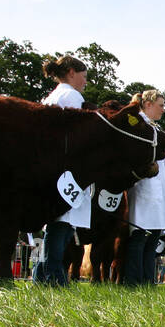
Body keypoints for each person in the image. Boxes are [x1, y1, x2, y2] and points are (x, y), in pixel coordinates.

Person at [35, 55, 92, 286]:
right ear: (71, 72)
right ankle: (54, 277)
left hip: (52, 167)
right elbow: (75, 135)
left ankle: (41, 276)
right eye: (84, 77)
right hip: (66, 169)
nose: (85, 82)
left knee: (60, 226)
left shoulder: (52, 96)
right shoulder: (71, 95)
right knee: (61, 225)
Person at [124, 90, 165, 286]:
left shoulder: (154, 128)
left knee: (152, 243)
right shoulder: (138, 125)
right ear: (148, 104)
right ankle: (134, 283)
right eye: (161, 104)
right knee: (139, 238)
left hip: (159, 196)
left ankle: (148, 283)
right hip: (145, 193)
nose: (163, 109)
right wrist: (163, 138)